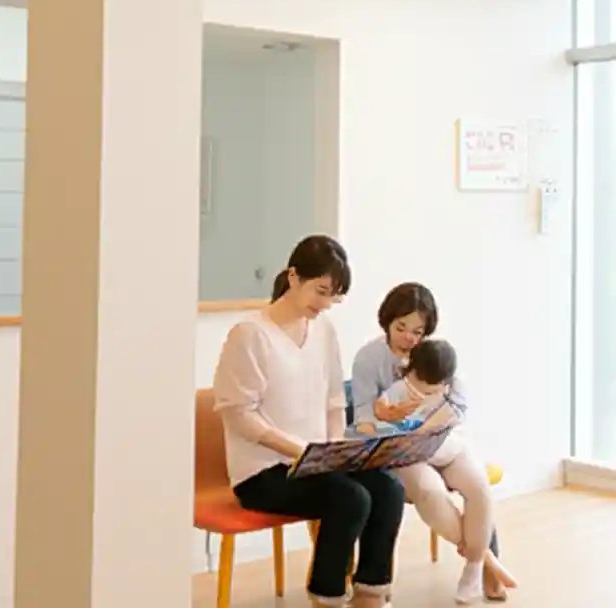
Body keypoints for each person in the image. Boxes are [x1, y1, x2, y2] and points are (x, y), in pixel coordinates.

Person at [213, 235, 404, 608]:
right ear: (294, 277)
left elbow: (335, 399)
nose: (326, 304)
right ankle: (327, 596)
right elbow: (240, 416)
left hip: (314, 462)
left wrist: (334, 450)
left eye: (334, 296)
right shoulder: (250, 334)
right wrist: (298, 449)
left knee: (388, 489)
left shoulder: (323, 331)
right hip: (263, 471)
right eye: (321, 291)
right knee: (349, 498)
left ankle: (370, 594)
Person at [351, 282, 516, 602]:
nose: (410, 338)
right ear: (386, 321)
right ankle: (486, 562)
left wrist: (430, 424)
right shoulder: (370, 359)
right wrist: (390, 418)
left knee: (478, 485)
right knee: (429, 491)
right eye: (401, 328)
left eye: (418, 331)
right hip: (401, 449)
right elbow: (362, 420)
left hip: (444, 441)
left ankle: (476, 568)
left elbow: (458, 403)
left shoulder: (433, 353)